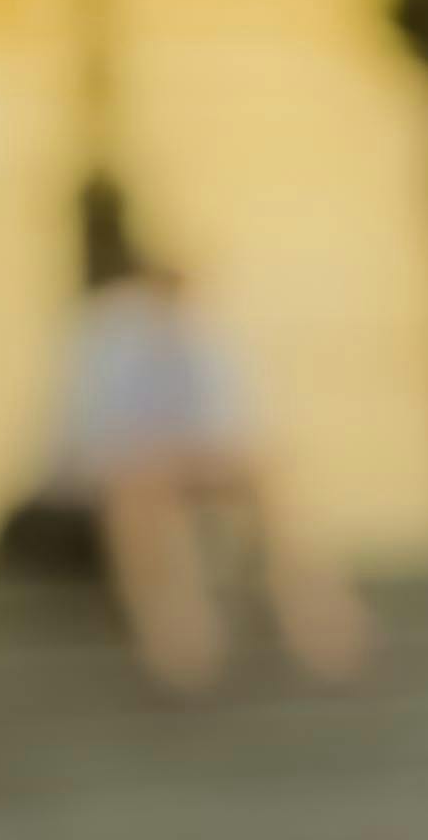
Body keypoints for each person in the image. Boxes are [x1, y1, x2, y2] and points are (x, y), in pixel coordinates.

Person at [45, 188, 372, 695]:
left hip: (181, 460)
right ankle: (178, 634)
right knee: (141, 488)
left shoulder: (201, 329)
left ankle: (313, 613)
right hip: (124, 470)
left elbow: (233, 420)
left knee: (267, 471)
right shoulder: (109, 329)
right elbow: (86, 433)